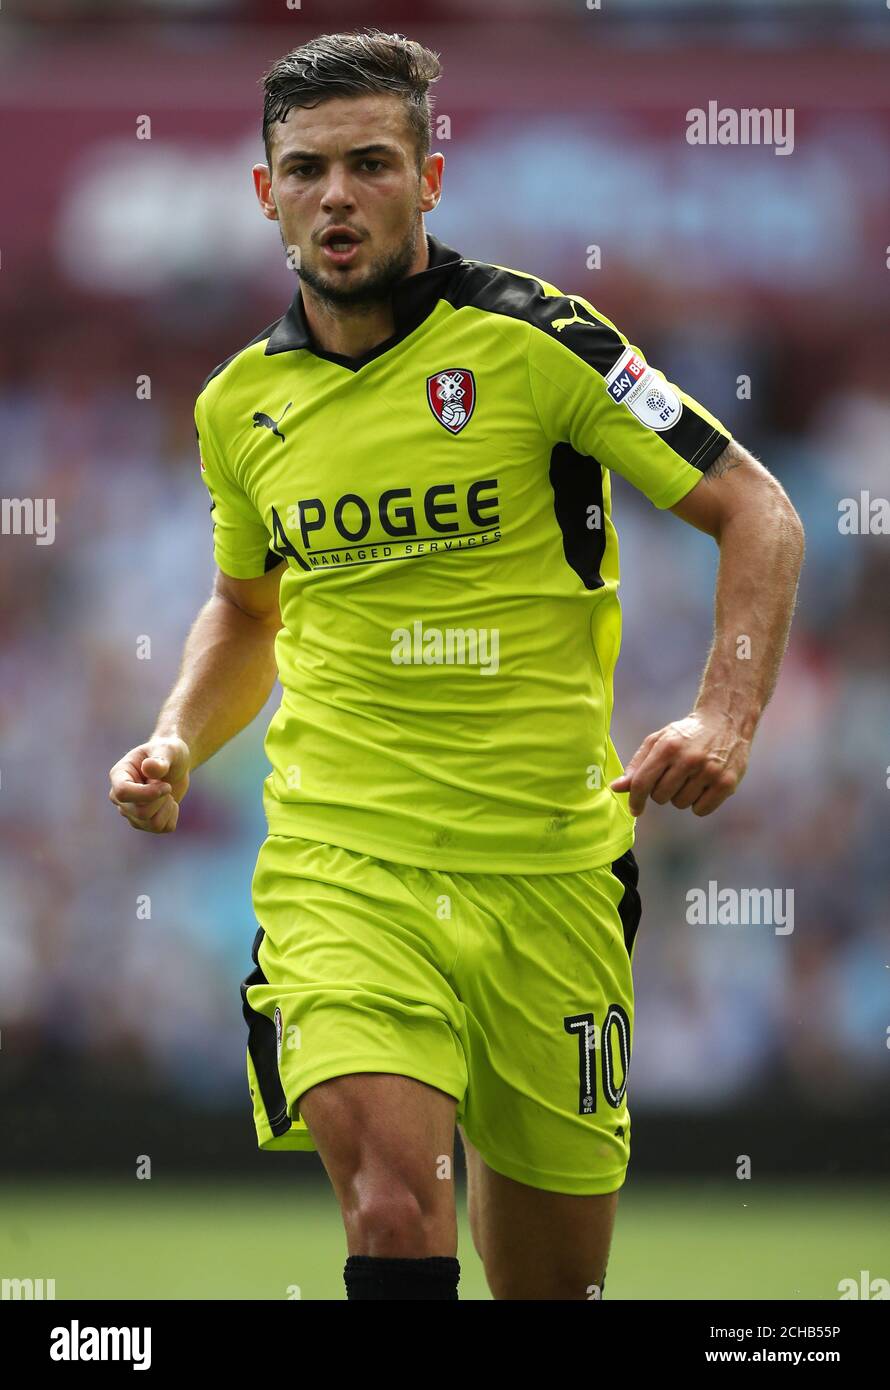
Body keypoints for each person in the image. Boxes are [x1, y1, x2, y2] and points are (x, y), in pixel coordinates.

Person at [108, 28, 805, 1301]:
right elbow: (243, 611)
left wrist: (724, 710)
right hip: (343, 865)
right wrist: (172, 738)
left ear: (430, 176)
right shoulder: (236, 407)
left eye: (370, 163)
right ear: (264, 192)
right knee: (390, 1210)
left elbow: (756, 509)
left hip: (549, 872)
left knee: (548, 1285)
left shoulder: (541, 343)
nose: (336, 196)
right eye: (306, 169)